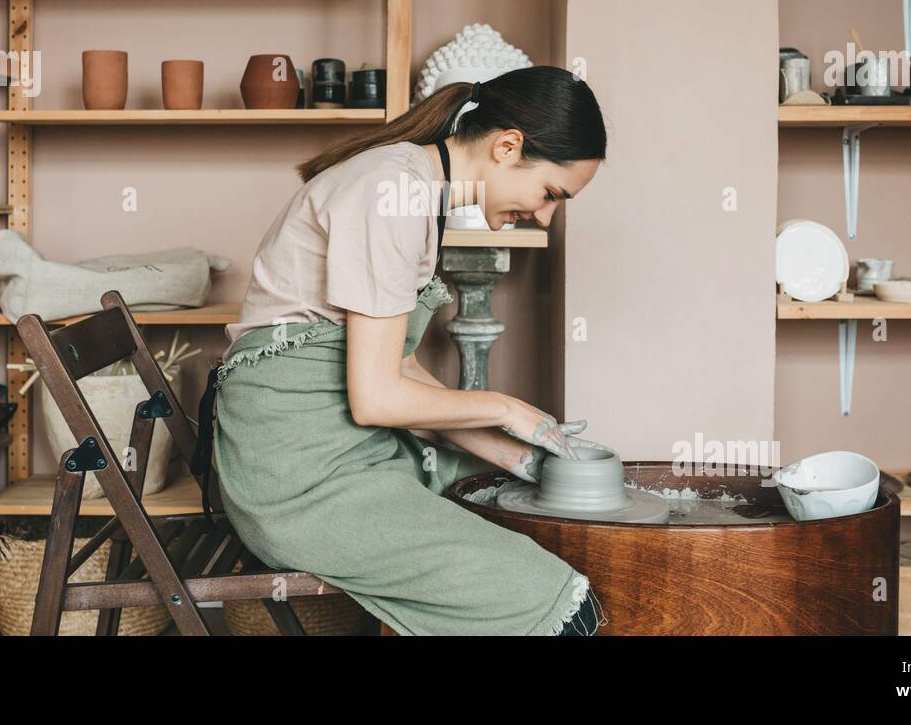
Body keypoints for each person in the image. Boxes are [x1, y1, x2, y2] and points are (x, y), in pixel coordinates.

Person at [204, 65, 608, 635]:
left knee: (516, 496)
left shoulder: (413, 187)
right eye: (549, 194)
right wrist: (510, 410)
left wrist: (518, 456)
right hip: (298, 475)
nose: (543, 217)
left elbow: (399, 369)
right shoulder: (388, 193)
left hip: (345, 447)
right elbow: (376, 399)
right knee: (552, 602)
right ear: (507, 145)